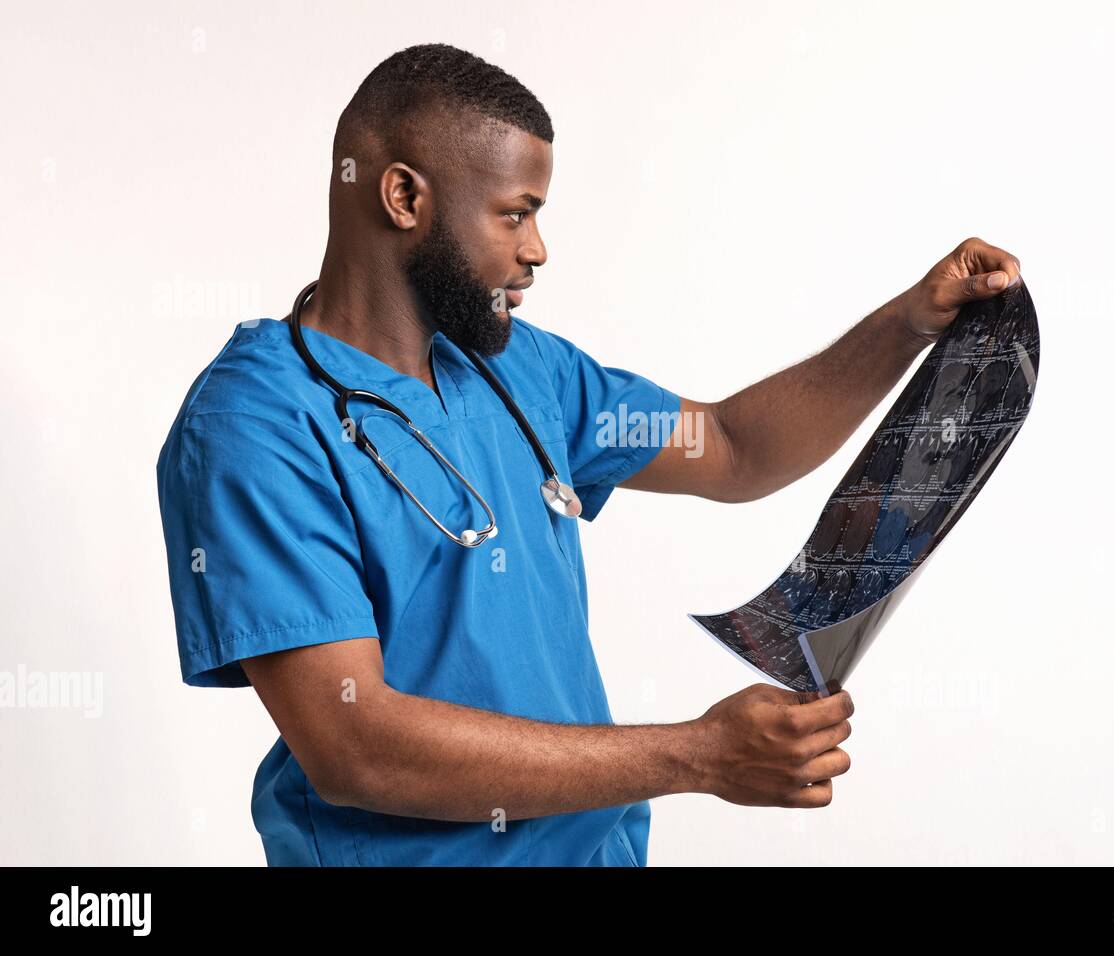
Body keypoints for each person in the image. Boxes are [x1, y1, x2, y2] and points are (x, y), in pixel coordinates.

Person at [155, 42, 1022, 866]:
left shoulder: (520, 370)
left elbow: (728, 445)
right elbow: (356, 747)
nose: (536, 250)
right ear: (404, 198)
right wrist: (699, 757)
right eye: (516, 214)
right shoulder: (256, 425)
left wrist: (906, 324)